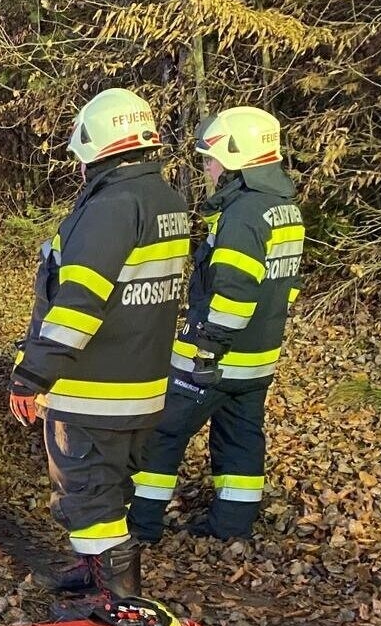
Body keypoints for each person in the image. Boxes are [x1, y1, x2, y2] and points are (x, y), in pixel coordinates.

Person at [8, 88, 190, 612]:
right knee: (111, 488)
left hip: (94, 387)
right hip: (142, 381)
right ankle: (97, 573)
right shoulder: (166, 202)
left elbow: (78, 305)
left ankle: (120, 603)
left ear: (99, 147)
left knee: (88, 493)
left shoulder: (111, 208)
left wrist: (32, 375)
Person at [128, 107, 302, 544]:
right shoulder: (285, 208)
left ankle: (140, 526)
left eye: (211, 156)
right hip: (258, 359)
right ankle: (231, 529)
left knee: (163, 432)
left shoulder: (244, 215)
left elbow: (234, 292)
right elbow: (289, 287)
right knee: (241, 439)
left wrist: (207, 345)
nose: (207, 165)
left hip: (217, 358)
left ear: (237, 155)